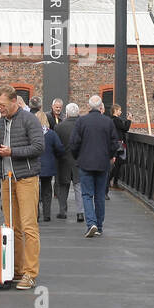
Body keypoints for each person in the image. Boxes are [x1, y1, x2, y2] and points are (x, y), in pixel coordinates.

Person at [0, 85, 44, 290]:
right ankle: (17, 269)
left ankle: (30, 273)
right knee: (11, 226)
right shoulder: (1, 122)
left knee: (29, 226)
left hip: (26, 178)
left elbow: (39, 147)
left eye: (2, 104)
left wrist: (11, 151)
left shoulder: (29, 119)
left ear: (14, 101)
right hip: (7, 178)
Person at [69, 95, 118, 237]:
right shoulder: (108, 122)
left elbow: (73, 143)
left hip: (85, 163)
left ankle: (91, 223)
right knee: (100, 195)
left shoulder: (81, 121)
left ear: (89, 106)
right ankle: (100, 226)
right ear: (101, 107)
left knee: (86, 194)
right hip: (103, 163)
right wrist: (109, 155)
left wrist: (78, 156)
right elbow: (115, 143)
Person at [52, 102, 79, 220]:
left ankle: (62, 210)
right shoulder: (82, 125)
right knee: (78, 186)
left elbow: (56, 145)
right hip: (78, 159)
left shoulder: (59, 127)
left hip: (63, 160)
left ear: (67, 113)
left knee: (63, 186)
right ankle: (80, 212)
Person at [37, 112, 64, 222]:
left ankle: (36, 214)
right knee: (47, 190)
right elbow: (60, 148)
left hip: (34, 166)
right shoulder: (51, 134)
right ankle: (46, 214)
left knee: (34, 192)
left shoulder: (31, 134)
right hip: (48, 166)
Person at [109, 103, 131, 191]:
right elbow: (125, 128)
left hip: (116, 143)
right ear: (115, 110)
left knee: (117, 163)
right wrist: (129, 120)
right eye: (119, 110)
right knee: (118, 164)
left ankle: (112, 181)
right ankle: (112, 182)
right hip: (118, 144)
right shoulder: (116, 120)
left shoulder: (113, 120)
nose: (121, 112)